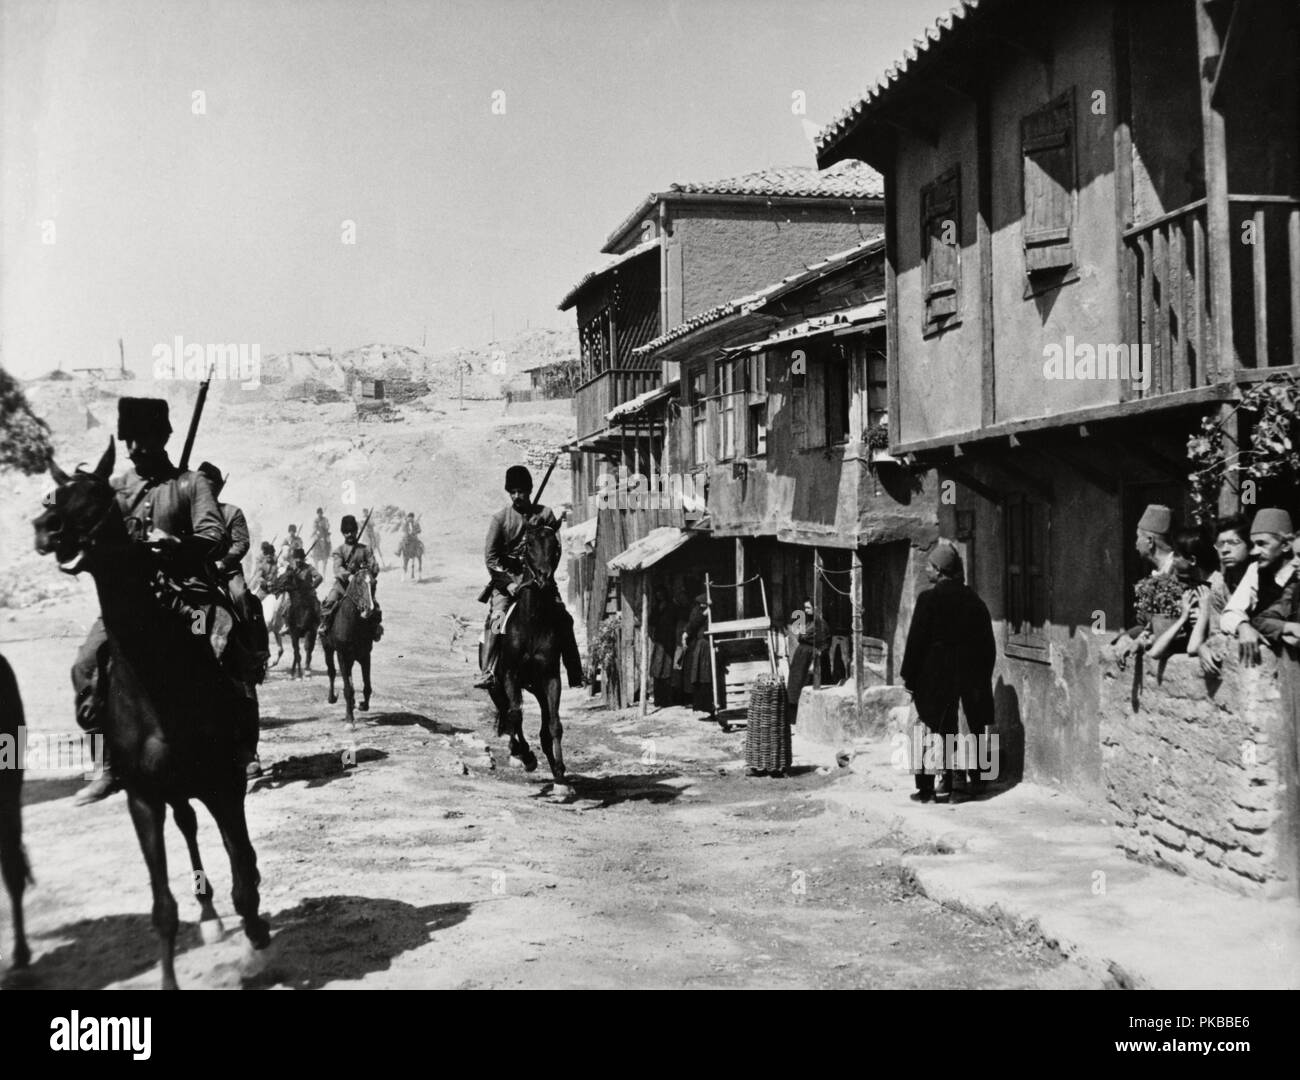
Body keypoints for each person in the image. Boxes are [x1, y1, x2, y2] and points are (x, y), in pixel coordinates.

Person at [71, 397, 228, 804]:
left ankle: (234, 745)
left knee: (218, 654)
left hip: (180, 596)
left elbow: (214, 536)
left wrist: (178, 544)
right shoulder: (117, 488)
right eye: (129, 440)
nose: (136, 448)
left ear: (164, 437)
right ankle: (105, 766)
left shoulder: (192, 484)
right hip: (126, 605)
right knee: (86, 664)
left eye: (144, 439)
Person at [900, 540, 996, 803]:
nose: (926, 570)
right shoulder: (976, 602)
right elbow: (988, 646)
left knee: (932, 729)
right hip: (970, 675)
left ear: (940, 570)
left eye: (930, 566)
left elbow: (916, 643)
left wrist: (909, 677)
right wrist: (982, 676)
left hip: (935, 677)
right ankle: (972, 784)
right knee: (972, 726)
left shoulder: (928, 600)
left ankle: (928, 789)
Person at [474, 465, 584, 691]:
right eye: (512, 492)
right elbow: (491, 558)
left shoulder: (545, 515)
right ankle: (488, 671)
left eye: (521, 491)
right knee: (495, 619)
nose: (516, 496)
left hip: (541, 582)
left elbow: (556, 549)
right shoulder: (500, 519)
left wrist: (545, 573)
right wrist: (509, 583)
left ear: (529, 491)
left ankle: (576, 672)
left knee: (564, 619)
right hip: (508, 584)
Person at [1220, 508, 1296, 666]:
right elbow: (1231, 612)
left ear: (1286, 545)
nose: (1254, 552)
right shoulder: (1255, 570)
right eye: (1253, 545)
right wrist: (1243, 626)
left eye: (1262, 544)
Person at [319, 515, 381, 637]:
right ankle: (324, 626)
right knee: (330, 602)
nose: (349, 534)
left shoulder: (366, 549)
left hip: (361, 588)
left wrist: (368, 570)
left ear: (356, 531)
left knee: (375, 606)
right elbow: (337, 568)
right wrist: (349, 576)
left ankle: (375, 628)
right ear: (343, 533)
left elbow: (374, 567)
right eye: (346, 532)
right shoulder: (339, 550)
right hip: (342, 586)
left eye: (352, 531)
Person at [786, 598, 830, 721]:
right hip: (801, 658)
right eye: (805, 608)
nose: (806, 610)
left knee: (805, 685)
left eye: (808, 608)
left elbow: (824, 646)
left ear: (815, 608)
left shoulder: (822, 624)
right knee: (795, 685)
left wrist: (814, 663)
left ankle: (806, 718)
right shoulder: (809, 622)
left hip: (810, 658)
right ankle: (793, 717)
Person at [681, 593, 715, 716]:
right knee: (701, 676)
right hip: (702, 645)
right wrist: (703, 614)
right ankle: (704, 705)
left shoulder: (713, 611)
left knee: (709, 676)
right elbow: (693, 624)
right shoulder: (698, 611)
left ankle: (711, 706)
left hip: (709, 643)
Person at [648, 585, 680, 708]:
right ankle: (658, 698)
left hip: (669, 641)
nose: (659, 596)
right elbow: (652, 621)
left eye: (661, 593)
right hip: (659, 641)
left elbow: (677, 619)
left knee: (667, 669)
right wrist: (659, 611)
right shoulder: (656, 608)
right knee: (657, 669)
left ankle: (667, 699)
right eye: (657, 594)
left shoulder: (672, 607)